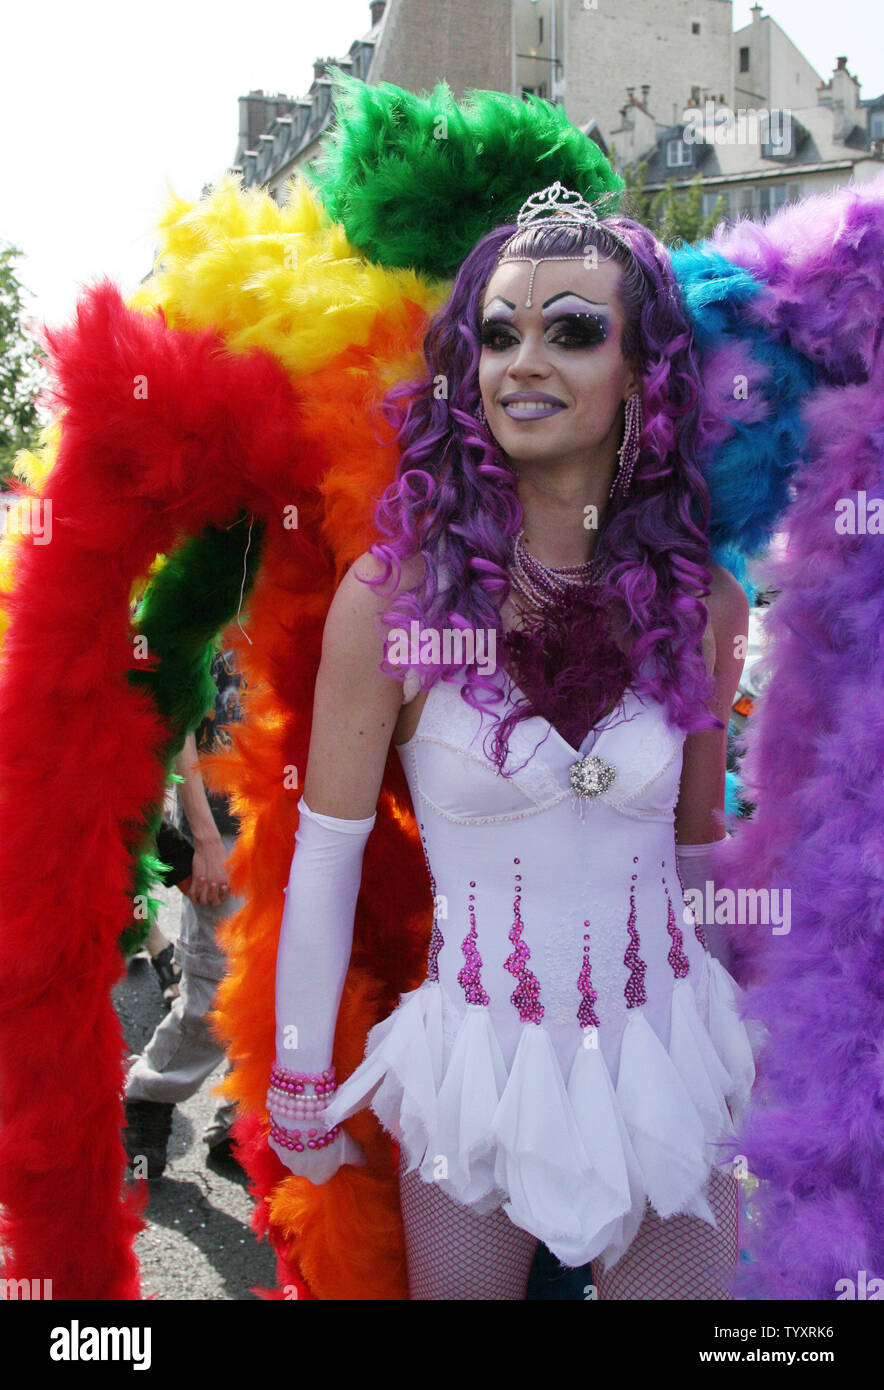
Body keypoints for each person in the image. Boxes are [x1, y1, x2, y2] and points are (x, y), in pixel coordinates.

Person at [266, 182, 757, 1299]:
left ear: (641, 375)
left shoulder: (706, 604)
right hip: (471, 1074)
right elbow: (327, 849)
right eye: (498, 333)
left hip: (666, 1057)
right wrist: (300, 1071)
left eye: (571, 331)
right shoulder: (390, 597)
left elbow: (694, 846)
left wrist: (745, 1032)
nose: (522, 361)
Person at [123, 647, 246, 1178]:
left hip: (291, 816)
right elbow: (173, 719)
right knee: (214, 990)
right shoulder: (205, 586)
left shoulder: (309, 575)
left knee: (281, 983)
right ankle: (150, 1092)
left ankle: (242, 1117)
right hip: (217, 829)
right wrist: (197, 840)